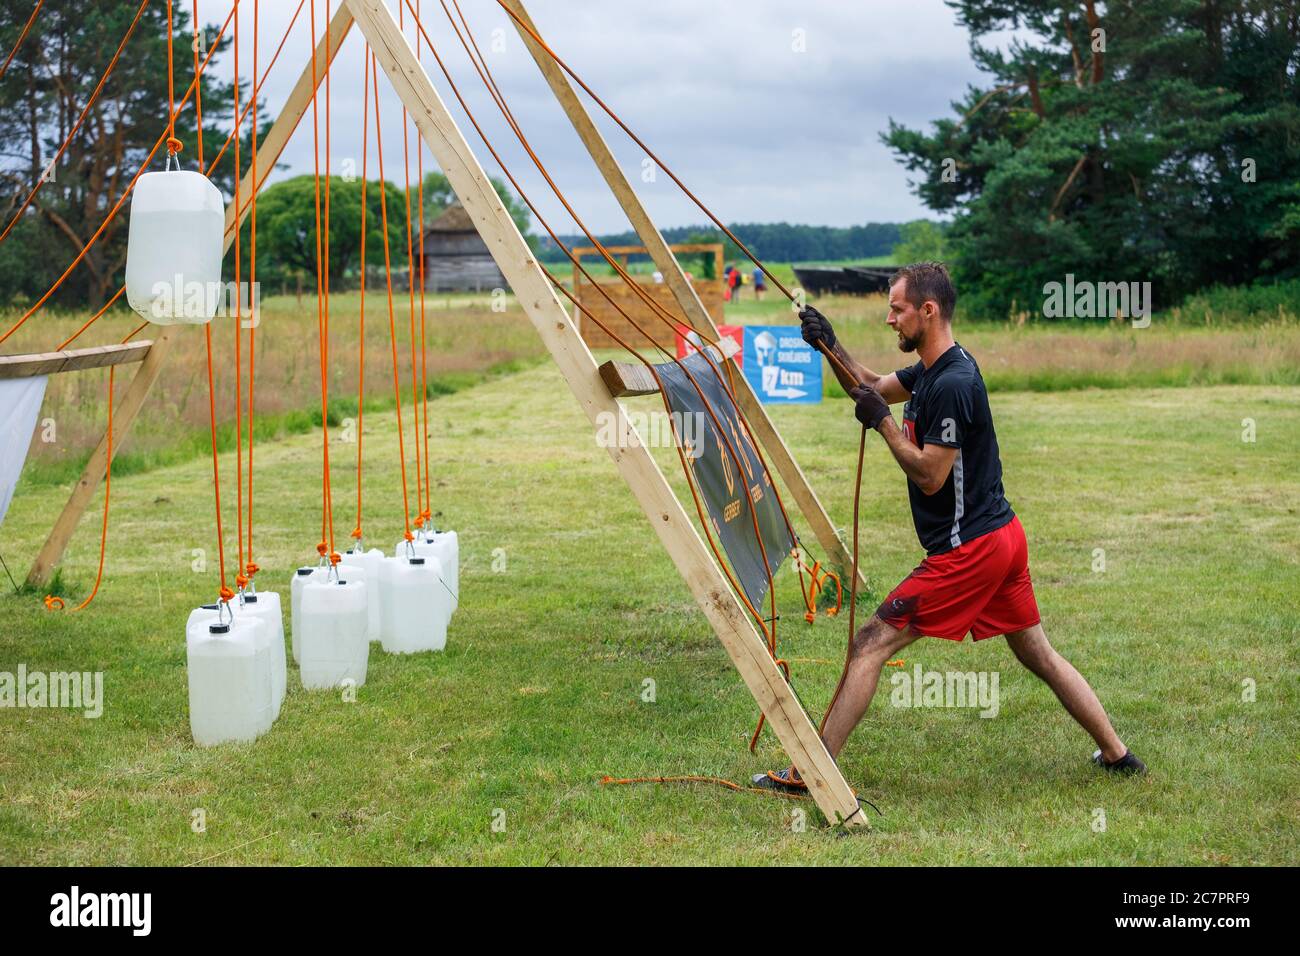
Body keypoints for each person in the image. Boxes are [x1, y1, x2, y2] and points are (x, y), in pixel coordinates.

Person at [756, 262, 1145, 793]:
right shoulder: (935, 368)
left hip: (973, 550)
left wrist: (884, 423)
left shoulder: (955, 383)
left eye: (897, 309)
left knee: (869, 643)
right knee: (1037, 653)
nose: (890, 318)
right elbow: (869, 387)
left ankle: (811, 774)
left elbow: (931, 474)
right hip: (1003, 537)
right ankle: (1117, 755)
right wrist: (830, 346)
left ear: (928, 310)